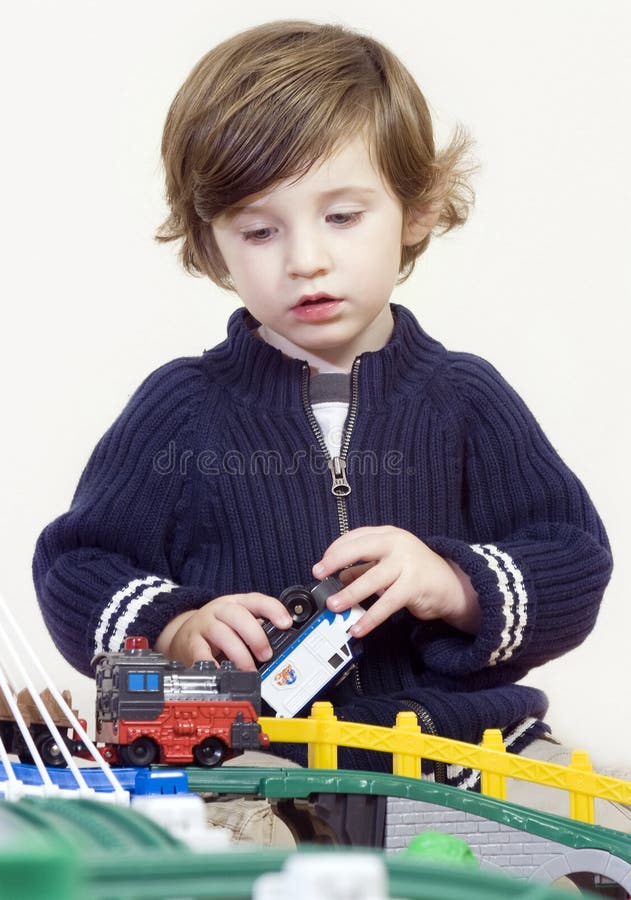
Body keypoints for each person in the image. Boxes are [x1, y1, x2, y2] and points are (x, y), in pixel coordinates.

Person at [33, 19, 622, 826]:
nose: (304, 259)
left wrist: (450, 583)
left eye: (341, 217)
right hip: (249, 754)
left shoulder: (465, 398)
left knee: (598, 826)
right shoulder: (182, 406)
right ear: (212, 245)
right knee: (182, 828)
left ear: (414, 210)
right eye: (259, 229)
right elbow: (79, 563)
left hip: (461, 749)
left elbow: (571, 559)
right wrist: (177, 626)